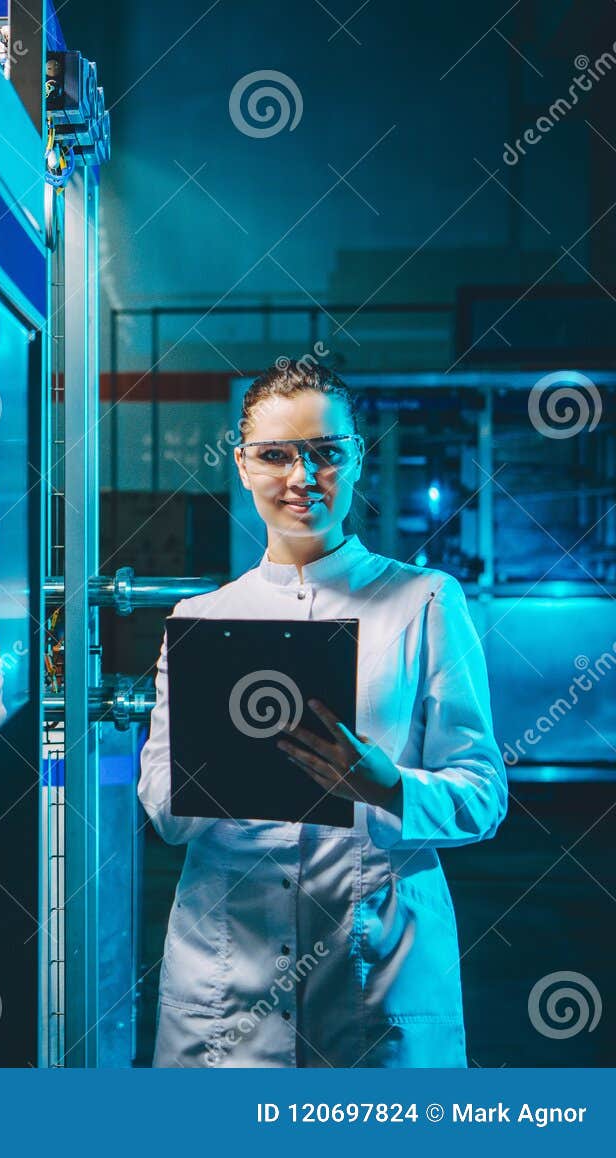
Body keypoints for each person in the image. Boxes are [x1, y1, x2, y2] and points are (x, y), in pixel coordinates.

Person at [137, 358, 508, 1067]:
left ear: (358, 459)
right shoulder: (201, 620)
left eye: (325, 454)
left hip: (377, 969)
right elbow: (163, 810)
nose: (301, 478)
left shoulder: (424, 602)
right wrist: (216, 767)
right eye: (275, 455)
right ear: (243, 466)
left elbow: (483, 795)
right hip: (225, 976)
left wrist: (387, 785)